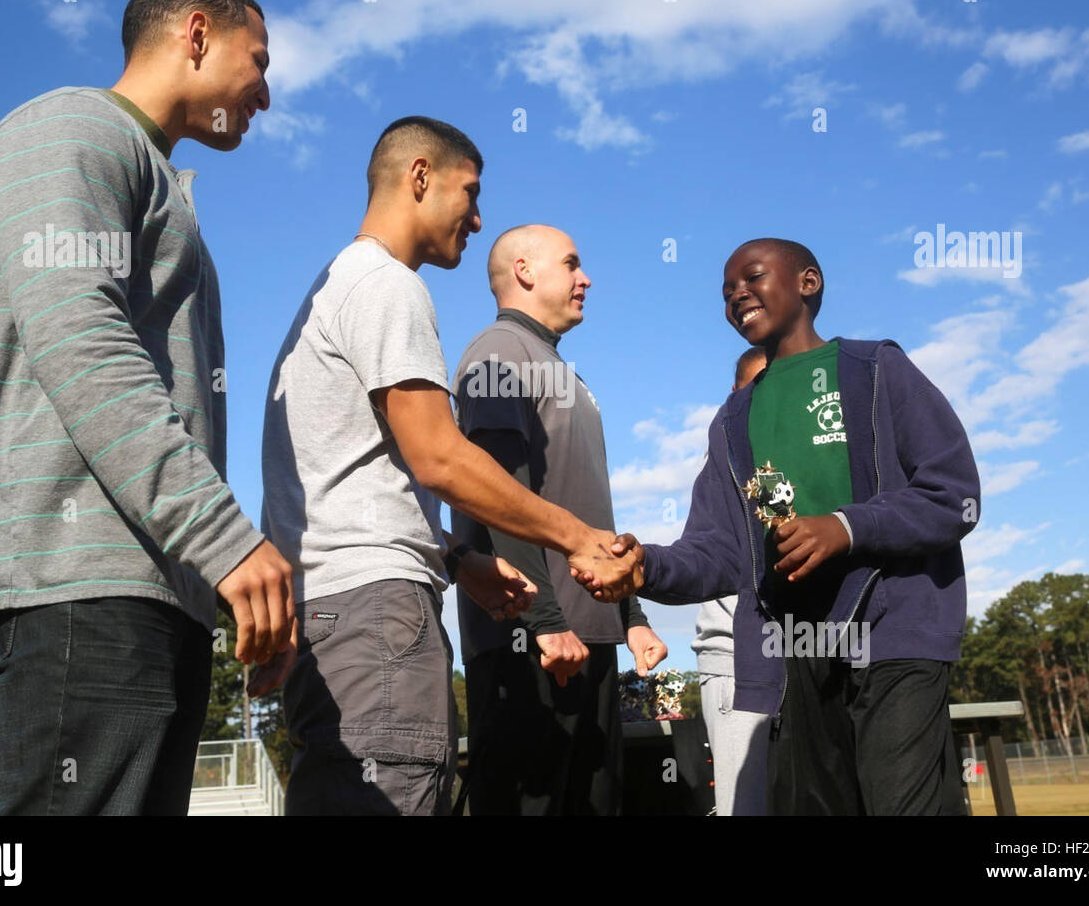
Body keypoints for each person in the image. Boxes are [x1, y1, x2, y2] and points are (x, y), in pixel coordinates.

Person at [0, 0, 295, 815]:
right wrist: (224, 539)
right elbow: (81, 342)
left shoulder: (159, 180)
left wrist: (210, 582)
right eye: (259, 59)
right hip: (80, 586)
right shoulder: (69, 128)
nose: (265, 93)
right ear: (197, 34)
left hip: (152, 588)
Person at [258, 121, 637, 815]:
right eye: (471, 191)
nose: (479, 216)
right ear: (421, 176)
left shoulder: (338, 286)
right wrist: (578, 538)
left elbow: (351, 479)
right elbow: (440, 457)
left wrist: (459, 558)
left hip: (339, 612)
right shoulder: (386, 284)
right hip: (375, 620)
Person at [592, 237, 979, 815]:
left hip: (893, 636)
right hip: (795, 649)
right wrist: (646, 565)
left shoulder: (876, 370)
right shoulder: (734, 420)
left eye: (751, 278)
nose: (737, 296)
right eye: (726, 293)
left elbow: (954, 496)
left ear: (808, 282)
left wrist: (845, 527)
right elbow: (719, 550)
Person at [450, 224, 669, 815]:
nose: (586, 278)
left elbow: (592, 514)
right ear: (524, 270)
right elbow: (496, 493)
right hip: (531, 643)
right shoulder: (497, 354)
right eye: (572, 264)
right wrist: (543, 620)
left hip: (586, 637)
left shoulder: (564, 372)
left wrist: (632, 616)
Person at [694, 346, 770, 816]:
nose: (767, 398)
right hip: (736, 664)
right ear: (733, 396)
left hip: (800, 657)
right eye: (756, 385)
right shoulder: (727, 464)